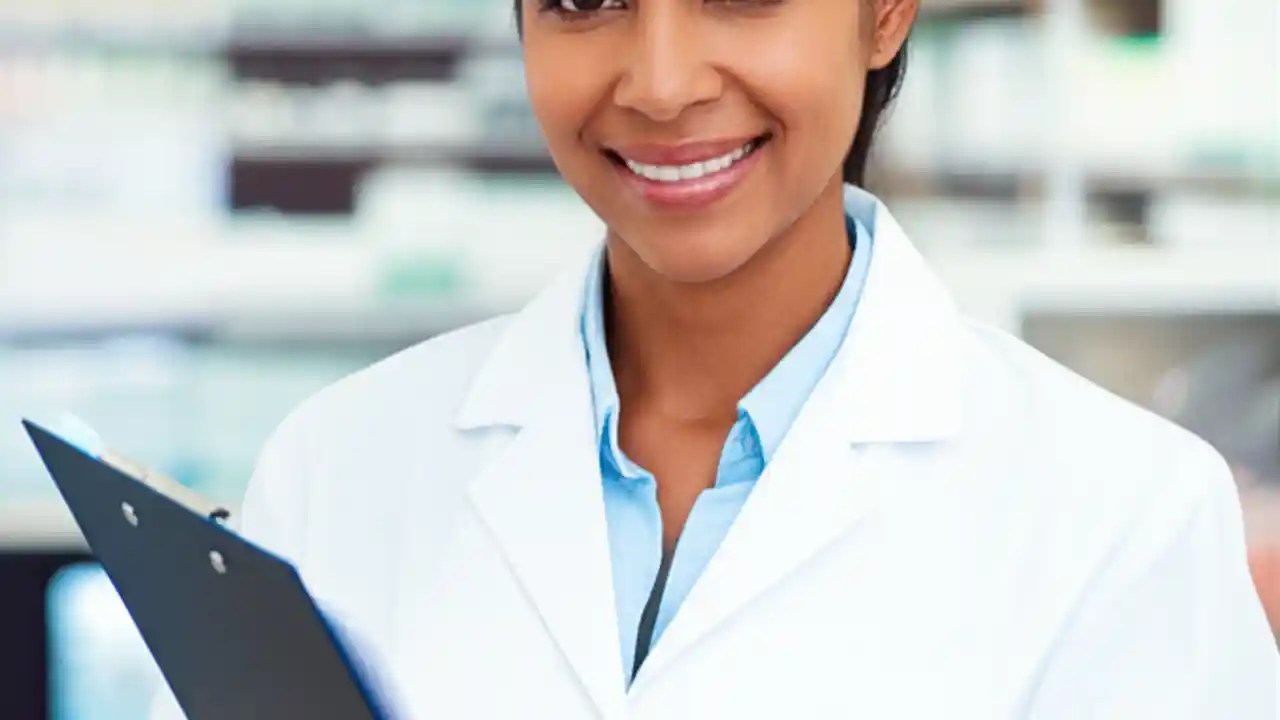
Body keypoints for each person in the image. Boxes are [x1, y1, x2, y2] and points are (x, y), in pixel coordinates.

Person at [237, 0, 1280, 717]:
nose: (658, 81)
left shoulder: (1124, 523)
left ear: (882, 15)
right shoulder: (334, 473)